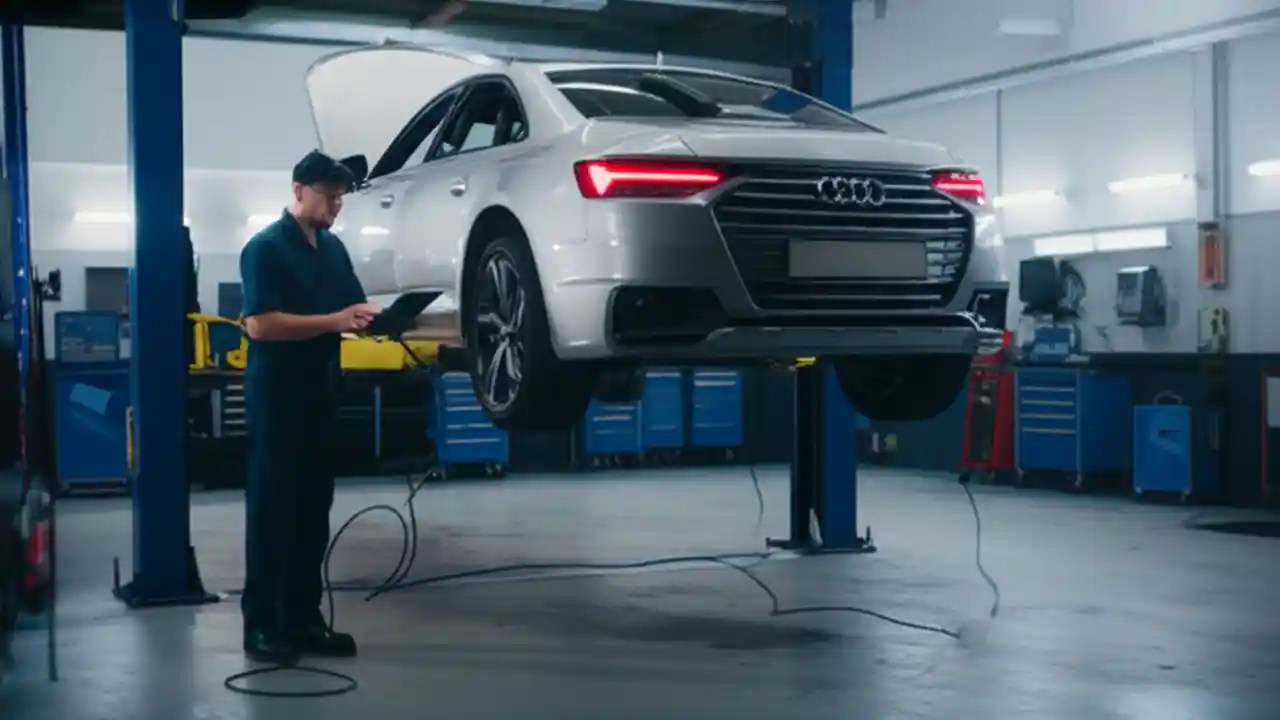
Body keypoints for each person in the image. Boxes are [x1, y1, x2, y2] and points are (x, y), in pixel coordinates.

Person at [238, 150, 381, 664]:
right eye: (329, 194)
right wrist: (334, 321)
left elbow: (353, 308)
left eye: (341, 195)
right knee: (274, 508)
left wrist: (388, 319)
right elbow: (260, 324)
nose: (337, 203)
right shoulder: (264, 249)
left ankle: (302, 619)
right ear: (298, 190)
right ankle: (262, 625)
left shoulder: (333, 249)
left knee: (312, 510)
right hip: (278, 396)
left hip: (321, 392)